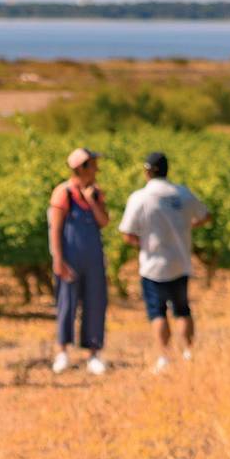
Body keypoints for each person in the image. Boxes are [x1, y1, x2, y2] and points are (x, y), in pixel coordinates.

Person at [117, 150, 211, 372]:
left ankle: (164, 357)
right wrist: (187, 227)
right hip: (180, 261)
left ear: (147, 172)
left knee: (157, 312)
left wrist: (144, 242)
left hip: (153, 265)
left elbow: (127, 233)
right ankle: (188, 353)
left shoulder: (140, 198)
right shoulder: (183, 194)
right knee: (182, 309)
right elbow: (205, 216)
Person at [47, 147, 111, 375]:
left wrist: (92, 202)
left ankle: (93, 353)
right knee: (67, 304)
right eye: (93, 164)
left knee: (95, 304)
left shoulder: (96, 193)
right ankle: (62, 351)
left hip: (93, 258)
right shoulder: (63, 193)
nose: (97, 169)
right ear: (81, 168)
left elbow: (104, 222)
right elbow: (55, 228)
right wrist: (58, 259)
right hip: (70, 258)